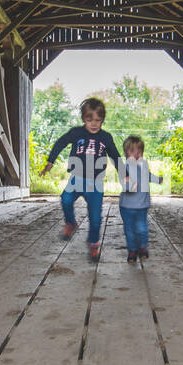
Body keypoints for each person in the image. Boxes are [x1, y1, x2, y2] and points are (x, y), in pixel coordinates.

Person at [42, 98, 120, 261]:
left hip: (95, 183)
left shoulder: (105, 137)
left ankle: (93, 244)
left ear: (102, 120)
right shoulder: (76, 133)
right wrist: (51, 161)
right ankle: (71, 223)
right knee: (65, 199)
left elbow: (115, 156)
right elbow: (60, 143)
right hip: (76, 179)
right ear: (83, 119)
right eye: (89, 119)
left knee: (95, 217)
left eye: (98, 120)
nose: (93, 123)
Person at [118, 134, 162, 263]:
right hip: (127, 206)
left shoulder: (143, 165)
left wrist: (157, 179)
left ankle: (142, 247)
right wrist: (129, 186)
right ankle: (132, 250)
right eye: (132, 151)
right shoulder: (125, 167)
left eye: (139, 151)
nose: (137, 154)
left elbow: (147, 175)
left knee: (142, 228)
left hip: (142, 206)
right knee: (130, 230)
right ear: (126, 153)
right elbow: (123, 181)